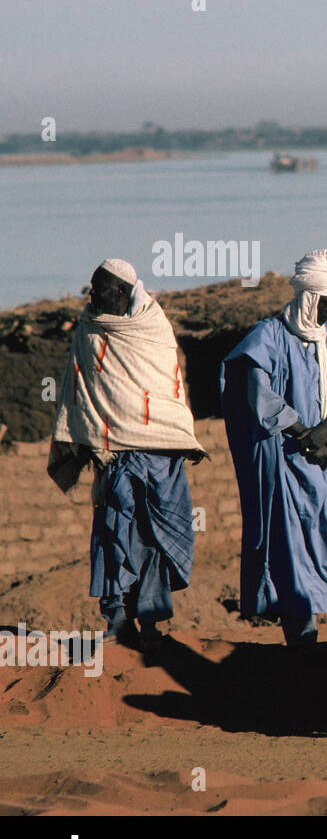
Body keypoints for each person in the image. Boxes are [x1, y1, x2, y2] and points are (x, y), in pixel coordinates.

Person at [220, 250, 327, 649]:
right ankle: (302, 643)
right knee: (292, 550)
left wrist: (323, 431)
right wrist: (304, 433)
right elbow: (261, 398)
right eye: (325, 305)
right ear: (309, 298)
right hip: (287, 466)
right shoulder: (268, 336)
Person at [48, 258, 206, 651]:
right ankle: (117, 618)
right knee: (114, 532)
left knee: (154, 537)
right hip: (113, 455)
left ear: (121, 291)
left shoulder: (154, 329)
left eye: (97, 287)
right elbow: (79, 391)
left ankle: (150, 619)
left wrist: (180, 433)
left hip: (160, 457)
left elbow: (168, 388)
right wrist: (86, 440)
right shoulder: (88, 331)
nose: (90, 294)